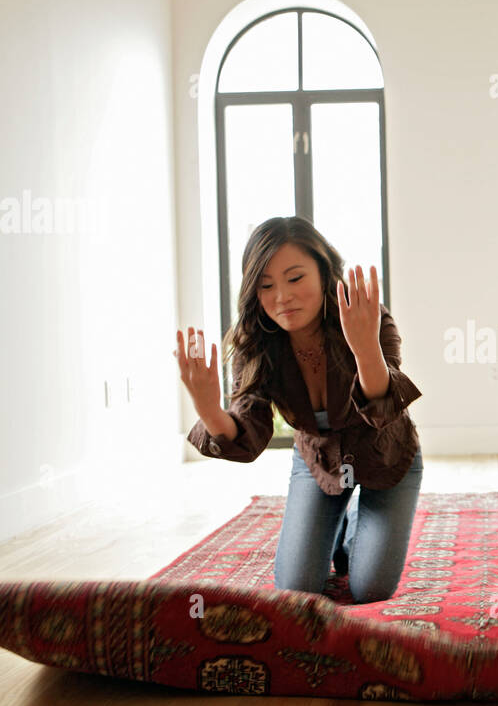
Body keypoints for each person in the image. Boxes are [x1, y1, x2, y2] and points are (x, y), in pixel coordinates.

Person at [175, 216, 424, 604]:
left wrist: (365, 351)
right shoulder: (256, 343)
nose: (282, 297)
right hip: (319, 461)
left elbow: (383, 408)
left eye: (295, 278)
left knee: (370, 589)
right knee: (296, 587)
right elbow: (249, 432)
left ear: (324, 272)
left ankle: (353, 521)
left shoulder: (364, 315)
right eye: (266, 285)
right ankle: (336, 517)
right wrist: (209, 409)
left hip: (386, 455)